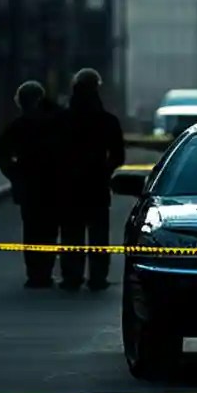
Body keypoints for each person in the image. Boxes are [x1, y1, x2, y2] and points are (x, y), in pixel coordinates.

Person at [58, 68, 126, 292]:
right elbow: (118, 155)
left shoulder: (63, 120)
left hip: (69, 185)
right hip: (96, 184)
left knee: (71, 233)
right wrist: (105, 170)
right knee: (98, 234)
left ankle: (72, 275)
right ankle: (98, 276)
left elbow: (53, 153)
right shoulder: (107, 121)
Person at [0, 81, 63, 288]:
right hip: (52, 183)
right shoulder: (55, 122)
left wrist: (14, 174)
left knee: (32, 229)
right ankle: (46, 271)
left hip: (30, 185)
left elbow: (1, 152)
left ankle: (35, 273)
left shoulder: (19, 125)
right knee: (49, 229)